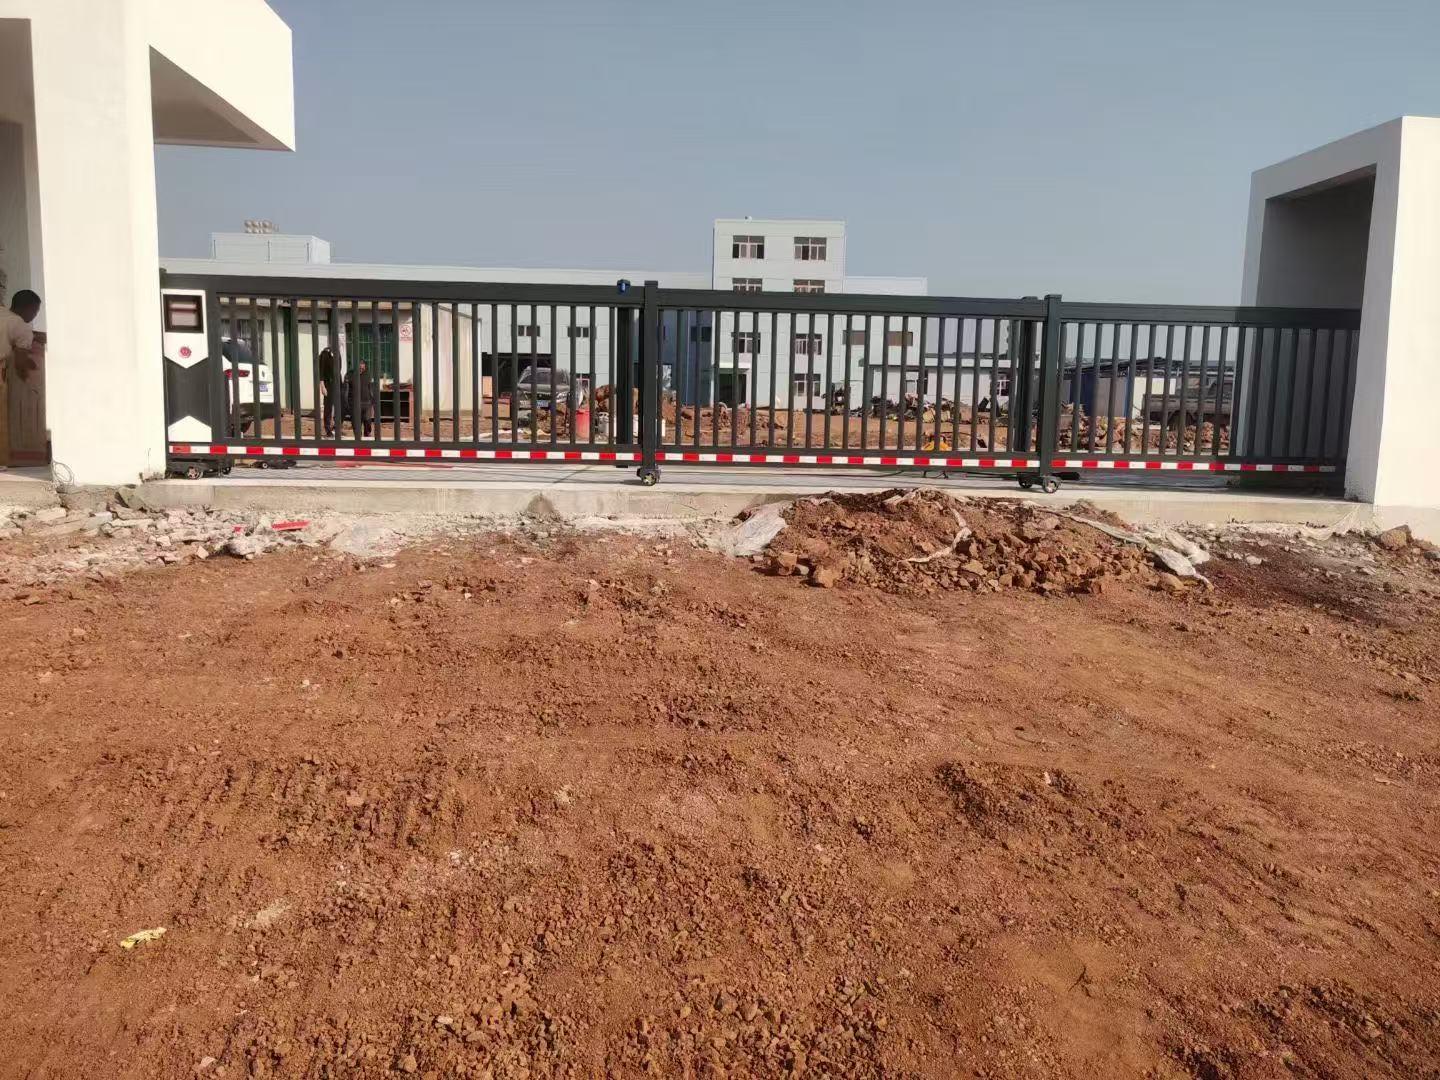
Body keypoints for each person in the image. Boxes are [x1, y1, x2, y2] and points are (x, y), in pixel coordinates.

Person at [0, 290, 42, 469]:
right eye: (36, 311)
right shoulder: (21, 325)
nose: (35, 316)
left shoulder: (2, 313)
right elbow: (20, 361)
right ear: (29, 308)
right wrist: (30, 381)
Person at [341, 357, 374, 437]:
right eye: (359, 367)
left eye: (362, 366)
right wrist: (346, 403)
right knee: (356, 424)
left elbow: (371, 389)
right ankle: (358, 438)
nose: (361, 369)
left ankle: (367, 435)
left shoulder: (368, 374)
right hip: (354, 403)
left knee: (367, 421)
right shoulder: (349, 374)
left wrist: (372, 403)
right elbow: (345, 391)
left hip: (366, 403)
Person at [317, 346, 339, 437]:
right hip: (328, 384)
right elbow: (321, 371)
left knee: (340, 406)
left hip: (337, 383)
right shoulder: (325, 354)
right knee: (328, 407)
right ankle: (328, 429)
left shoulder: (337, 353)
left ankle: (336, 427)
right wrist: (322, 386)